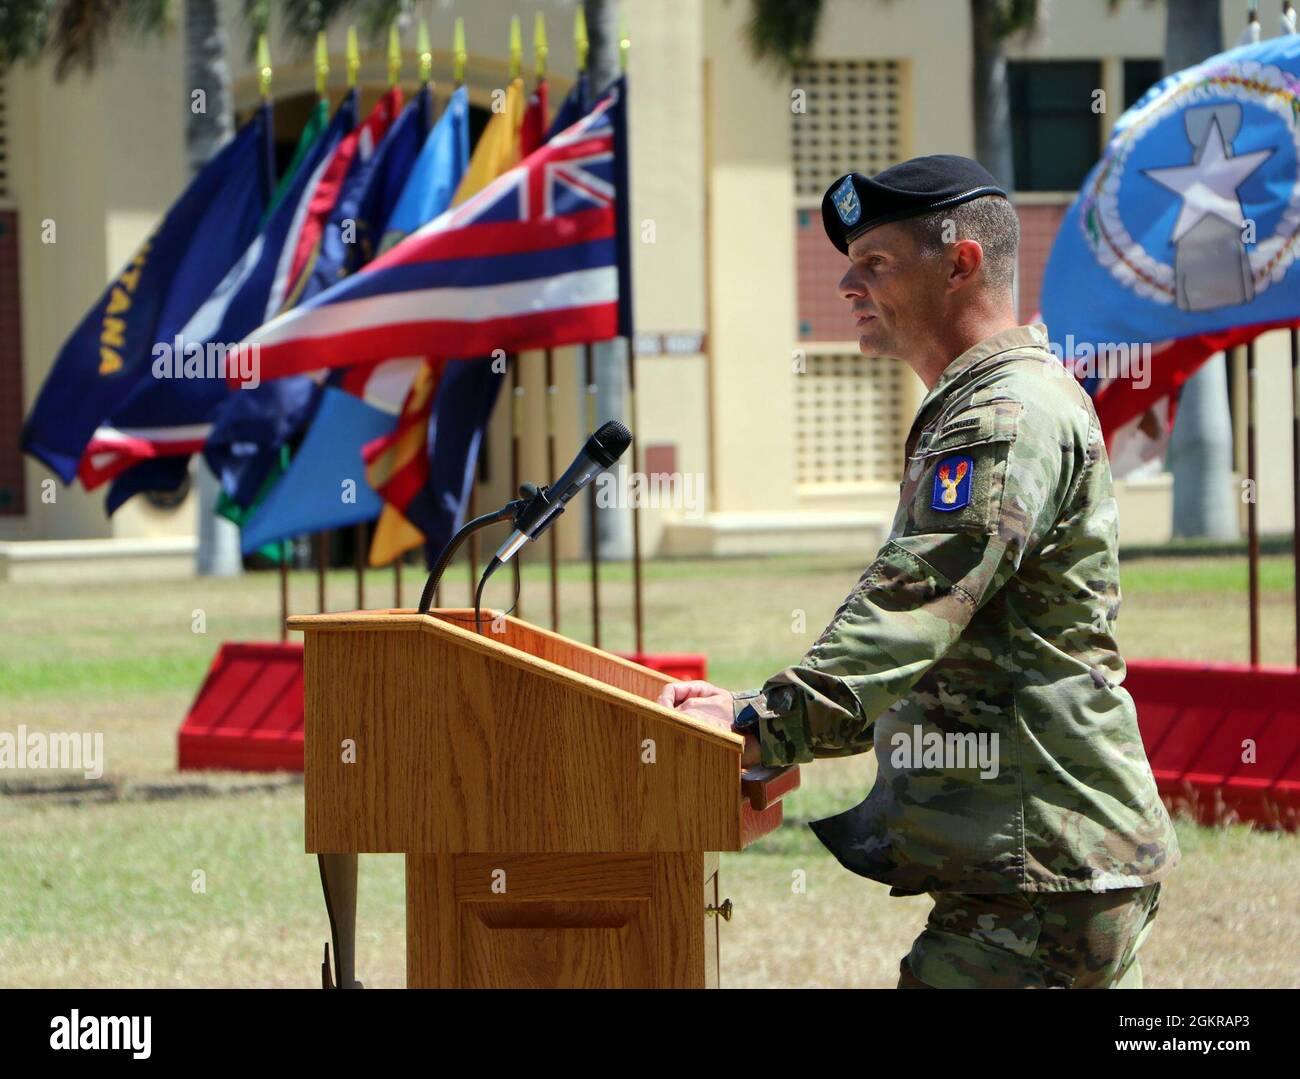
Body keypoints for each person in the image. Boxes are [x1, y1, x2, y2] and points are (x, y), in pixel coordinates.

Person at [658, 156, 1179, 989]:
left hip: (1038, 863)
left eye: (876, 263)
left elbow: (914, 607)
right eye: (849, 265)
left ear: (961, 263)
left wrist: (760, 719)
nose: (847, 285)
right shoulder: (990, 402)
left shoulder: (1003, 416)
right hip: (1034, 862)